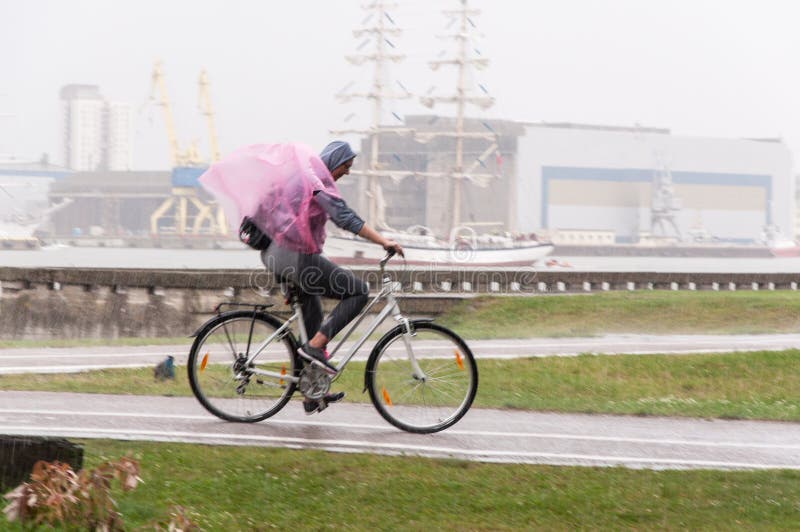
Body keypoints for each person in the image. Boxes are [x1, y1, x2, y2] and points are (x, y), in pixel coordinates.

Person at [261, 141, 404, 414]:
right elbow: (343, 216)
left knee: (312, 311)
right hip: (292, 257)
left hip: (281, 255)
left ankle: (312, 391)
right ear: (334, 160)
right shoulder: (314, 180)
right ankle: (315, 348)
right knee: (358, 291)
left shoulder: (309, 177)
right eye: (346, 166)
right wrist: (383, 241)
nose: (347, 172)